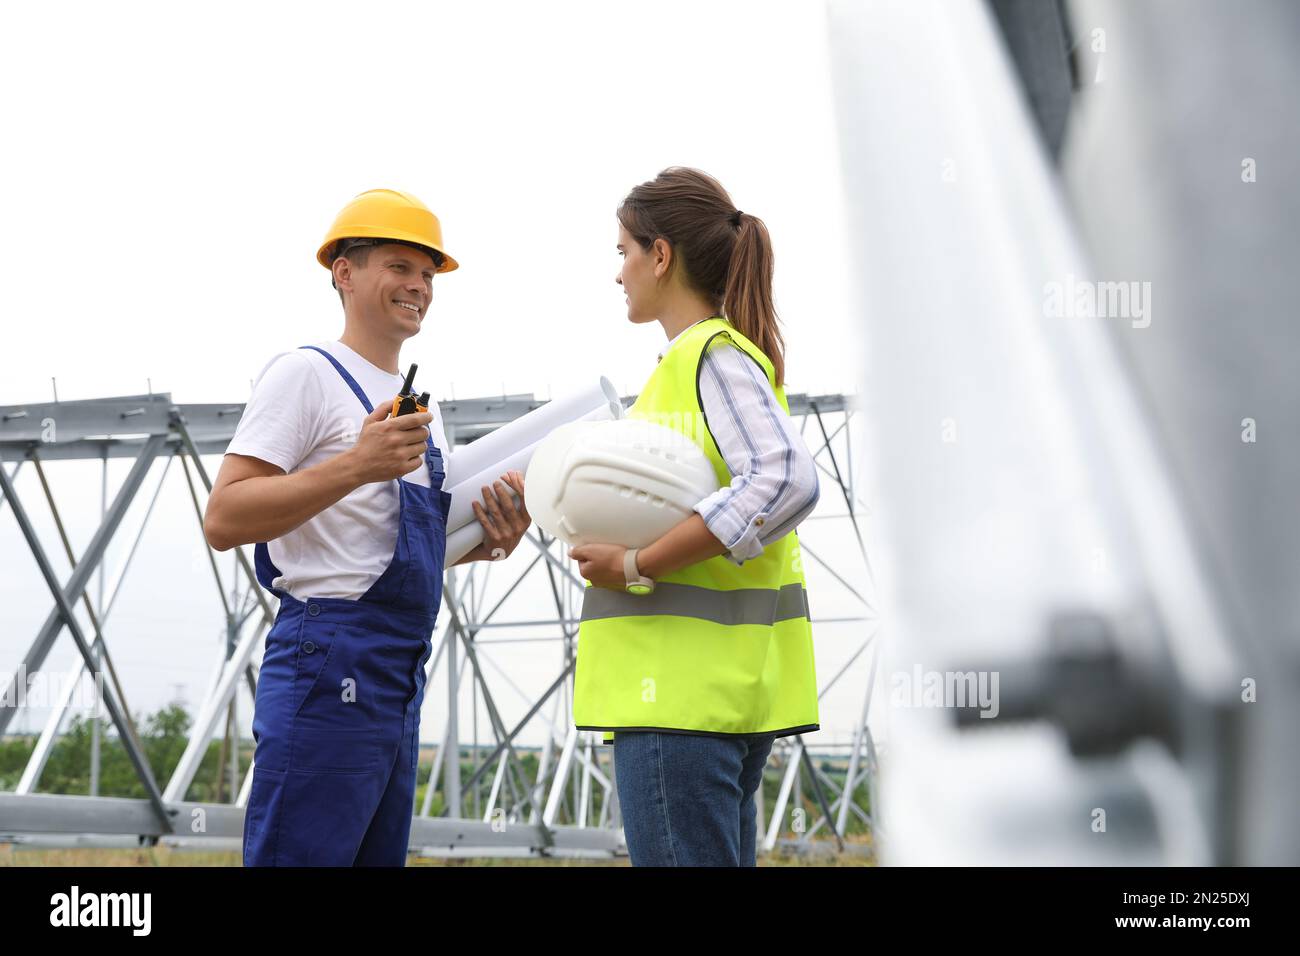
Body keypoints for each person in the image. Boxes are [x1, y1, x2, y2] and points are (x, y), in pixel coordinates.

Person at [203, 188, 531, 866]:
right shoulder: (304, 375)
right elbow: (225, 516)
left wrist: (486, 539)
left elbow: (380, 548)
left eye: (428, 274)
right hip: (328, 654)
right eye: (400, 266)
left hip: (399, 667)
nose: (419, 286)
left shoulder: (419, 413)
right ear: (345, 273)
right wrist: (357, 464)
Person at [569, 167, 821, 866]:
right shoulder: (708, 363)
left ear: (661, 255)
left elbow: (785, 478)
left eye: (623, 252)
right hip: (714, 703)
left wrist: (634, 564)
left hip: (678, 707)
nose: (618, 273)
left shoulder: (706, 357)